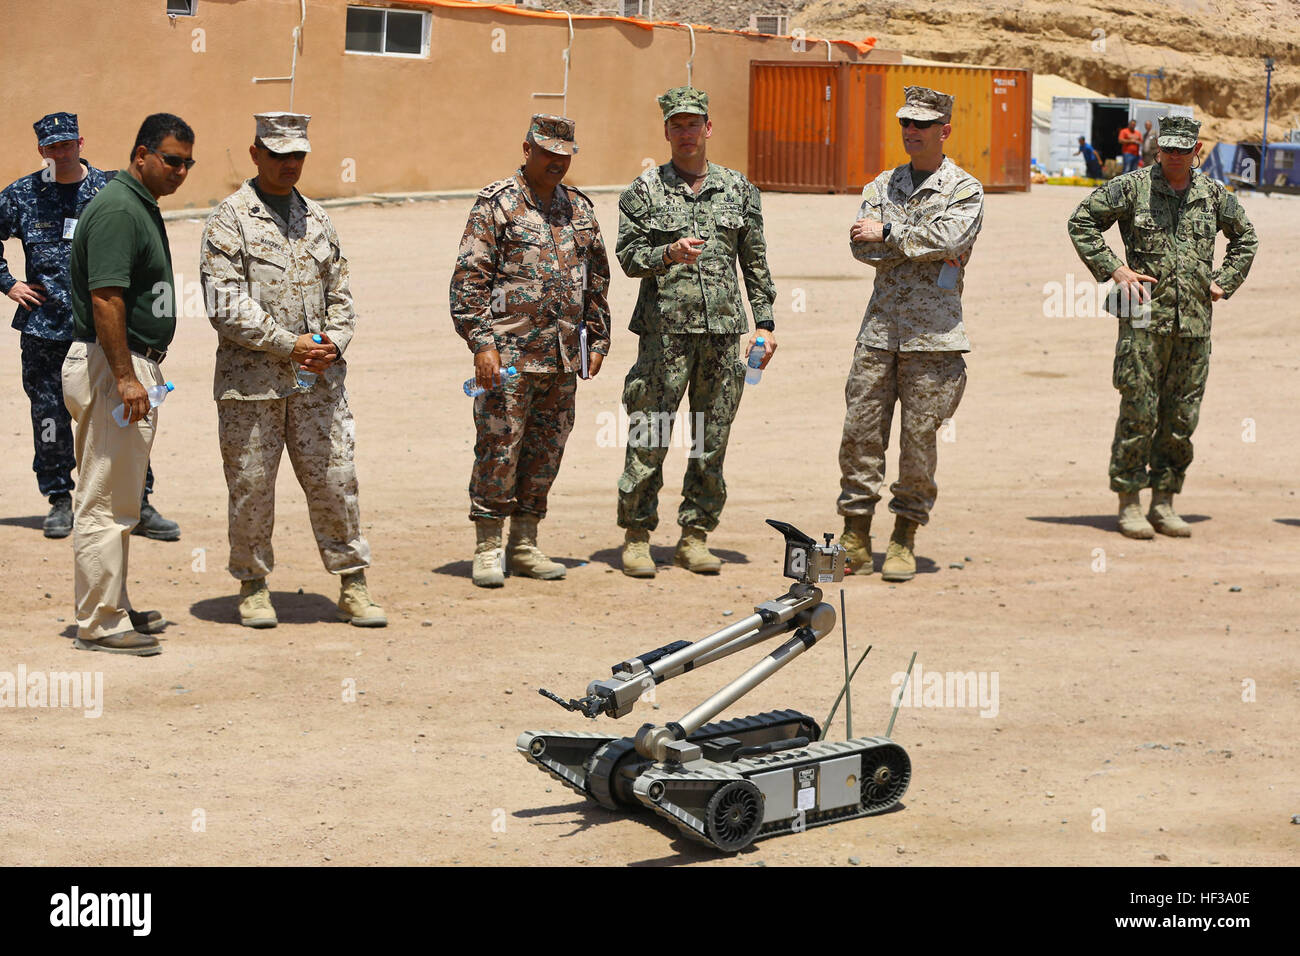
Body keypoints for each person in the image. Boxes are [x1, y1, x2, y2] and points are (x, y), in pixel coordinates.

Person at [199, 112, 385, 627]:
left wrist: (334, 342)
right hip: (251, 388)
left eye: (297, 155)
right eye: (278, 155)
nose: (289, 165)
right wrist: (290, 344)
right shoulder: (229, 219)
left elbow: (341, 293)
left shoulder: (319, 218)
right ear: (256, 153)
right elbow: (224, 302)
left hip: (318, 385)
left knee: (336, 481)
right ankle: (254, 586)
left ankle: (353, 582)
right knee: (252, 487)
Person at [1067, 115, 1258, 539]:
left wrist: (1223, 282)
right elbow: (1081, 221)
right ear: (1158, 150)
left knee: (1180, 418)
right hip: (1141, 321)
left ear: (1197, 152)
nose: (1174, 156)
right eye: (1167, 148)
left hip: (1193, 325)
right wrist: (1115, 269)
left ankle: (1165, 500)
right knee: (1139, 411)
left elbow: (1246, 238)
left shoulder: (1212, 195)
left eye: (1182, 149)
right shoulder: (1131, 188)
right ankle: (1130, 500)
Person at [614, 86, 775, 577]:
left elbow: (756, 263)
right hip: (664, 337)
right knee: (650, 433)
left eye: (693, 124)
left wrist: (765, 323)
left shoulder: (739, 190)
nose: (686, 133)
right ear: (665, 131)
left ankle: (695, 535)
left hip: (724, 335)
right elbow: (626, 258)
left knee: (711, 438)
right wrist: (666, 254)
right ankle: (638, 535)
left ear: (709, 128)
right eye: (676, 125)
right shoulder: (643, 191)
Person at [0, 112, 179, 540]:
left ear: (81, 142)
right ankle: (61, 499)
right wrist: (8, 283)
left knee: (125, 411)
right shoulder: (23, 194)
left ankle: (138, 499)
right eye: (52, 147)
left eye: (67, 144)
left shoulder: (110, 190)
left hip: (105, 329)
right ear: (42, 149)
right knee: (50, 417)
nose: (60, 153)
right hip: (45, 328)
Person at [450, 114, 611, 588]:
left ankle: (524, 544)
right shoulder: (497, 203)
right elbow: (470, 278)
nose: (556, 164)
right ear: (527, 150)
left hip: (561, 356)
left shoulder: (579, 208)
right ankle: (486, 546)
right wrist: (481, 342)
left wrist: (597, 340)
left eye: (564, 157)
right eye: (547, 155)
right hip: (508, 356)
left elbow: (597, 279)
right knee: (499, 447)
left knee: (546, 450)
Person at [837, 86, 984, 582]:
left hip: (935, 338)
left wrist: (892, 235)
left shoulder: (965, 189)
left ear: (944, 130)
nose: (911, 132)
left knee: (918, 441)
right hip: (879, 332)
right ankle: (855, 532)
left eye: (921, 124)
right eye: (906, 123)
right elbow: (861, 247)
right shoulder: (882, 184)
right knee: (859, 434)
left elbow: (952, 238)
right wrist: (912, 243)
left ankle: (904, 535)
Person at [62, 113, 195, 655]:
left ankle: (111, 603)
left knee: (120, 496)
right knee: (103, 498)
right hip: (114, 364)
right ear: (141, 154)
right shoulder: (119, 209)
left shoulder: (134, 203)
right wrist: (124, 377)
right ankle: (99, 621)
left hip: (126, 363)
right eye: (171, 159)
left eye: (188, 162)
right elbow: (106, 298)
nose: (180, 171)